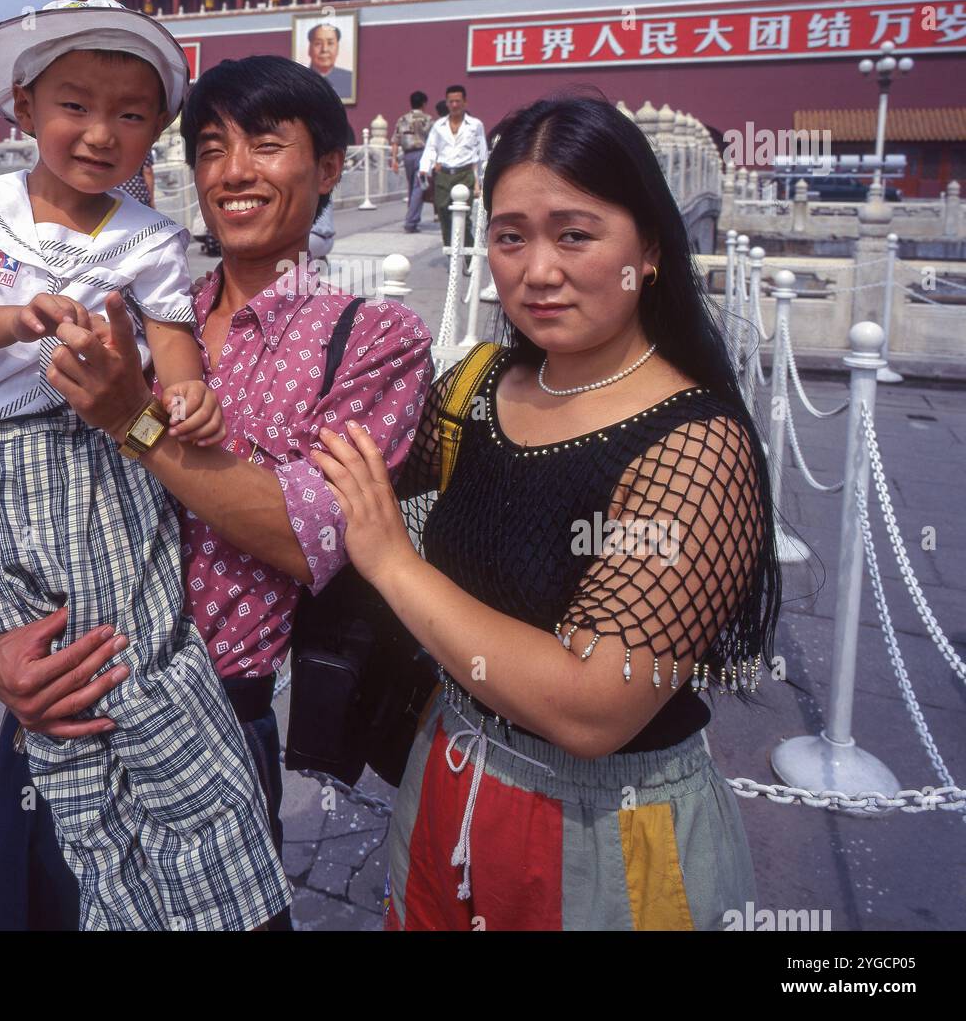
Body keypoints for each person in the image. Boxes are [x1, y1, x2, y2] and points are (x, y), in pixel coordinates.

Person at [0, 54, 433, 930]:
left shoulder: (373, 337)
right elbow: (5, 488)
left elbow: (308, 536)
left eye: (266, 144)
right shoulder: (134, 305)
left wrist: (131, 421)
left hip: (212, 720)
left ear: (329, 166)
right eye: (212, 147)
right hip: (61, 707)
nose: (233, 172)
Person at [312, 94, 781, 931]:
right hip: (448, 776)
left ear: (652, 249)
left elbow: (592, 707)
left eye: (575, 233)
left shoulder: (696, 448)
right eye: (510, 235)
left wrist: (392, 563)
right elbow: (332, 508)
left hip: (613, 832)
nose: (537, 270)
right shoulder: (481, 386)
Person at [0, 0, 289, 932]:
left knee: (131, 655)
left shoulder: (148, 238)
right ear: (25, 107)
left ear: (155, 133)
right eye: (74, 104)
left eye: (130, 115)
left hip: (100, 461)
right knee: (50, 671)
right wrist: (20, 317)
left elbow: (172, 345)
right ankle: (131, 873)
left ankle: (195, 856)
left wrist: (187, 394)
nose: (99, 133)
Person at [419, 85, 488, 269]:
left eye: (458, 101)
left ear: (465, 102)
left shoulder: (475, 125)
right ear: (447, 103)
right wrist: (425, 168)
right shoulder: (438, 126)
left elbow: (481, 153)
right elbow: (431, 148)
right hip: (443, 175)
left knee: (463, 217)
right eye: (451, 101)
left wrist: (482, 180)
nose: (455, 104)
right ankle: (452, 255)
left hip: (465, 174)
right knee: (443, 214)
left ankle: (467, 259)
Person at [391, 91, 432, 233]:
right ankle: (411, 221)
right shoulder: (427, 119)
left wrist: (394, 160)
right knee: (418, 188)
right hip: (423, 154)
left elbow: (395, 141)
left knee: (412, 188)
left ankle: (412, 216)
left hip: (407, 155)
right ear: (424, 104)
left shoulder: (402, 119)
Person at [306, 22, 353, 101]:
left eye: (330, 43)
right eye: (318, 44)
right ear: (309, 49)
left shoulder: (350, 79)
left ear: (337, 48)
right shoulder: (299, 81)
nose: (324, 49)